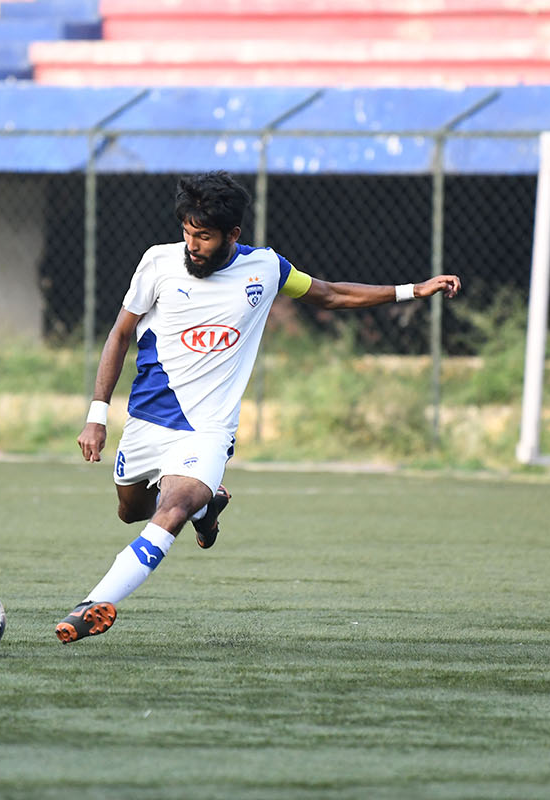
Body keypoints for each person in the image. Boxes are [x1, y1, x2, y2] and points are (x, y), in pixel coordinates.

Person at [58, 171, 461, 643]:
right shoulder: (157, 263)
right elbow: (120, 334)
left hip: (208, 429)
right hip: (148, 419)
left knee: (172, 507)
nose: (192, 245)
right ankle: (206, 510)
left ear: (233, 235)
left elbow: (329, 294)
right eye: (187, 233)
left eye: (203, 237)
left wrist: (414, 289)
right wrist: (97, 416)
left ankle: (96, 602)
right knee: (132, 511)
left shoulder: (265, 269)